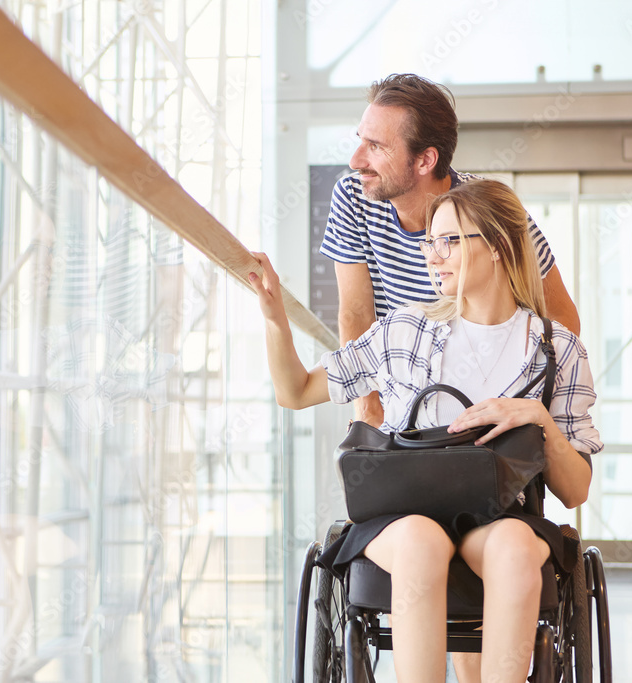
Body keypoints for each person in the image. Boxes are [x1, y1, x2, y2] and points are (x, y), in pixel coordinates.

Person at [250, 179, 601, 683]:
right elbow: (296, 391)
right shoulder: (404, 330)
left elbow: (575, 490)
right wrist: (275, 320)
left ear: (500, 246)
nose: (433, 257)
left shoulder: (556, 349)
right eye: (429, 242)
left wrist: (539, 420)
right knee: (420, 542)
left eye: (450, 241)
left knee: (518, 549)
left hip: (501, 516)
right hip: (401, 516)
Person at [321, 73, 581, 429]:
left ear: (425, 160)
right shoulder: (354, 197)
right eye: (360, 141)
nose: (355, 160)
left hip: (481, 412)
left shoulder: (488, 210)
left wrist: (515, 411)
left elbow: (561, 317)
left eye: (376, 146)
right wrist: (368, 413)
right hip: (406, 412)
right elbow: (355, 311)